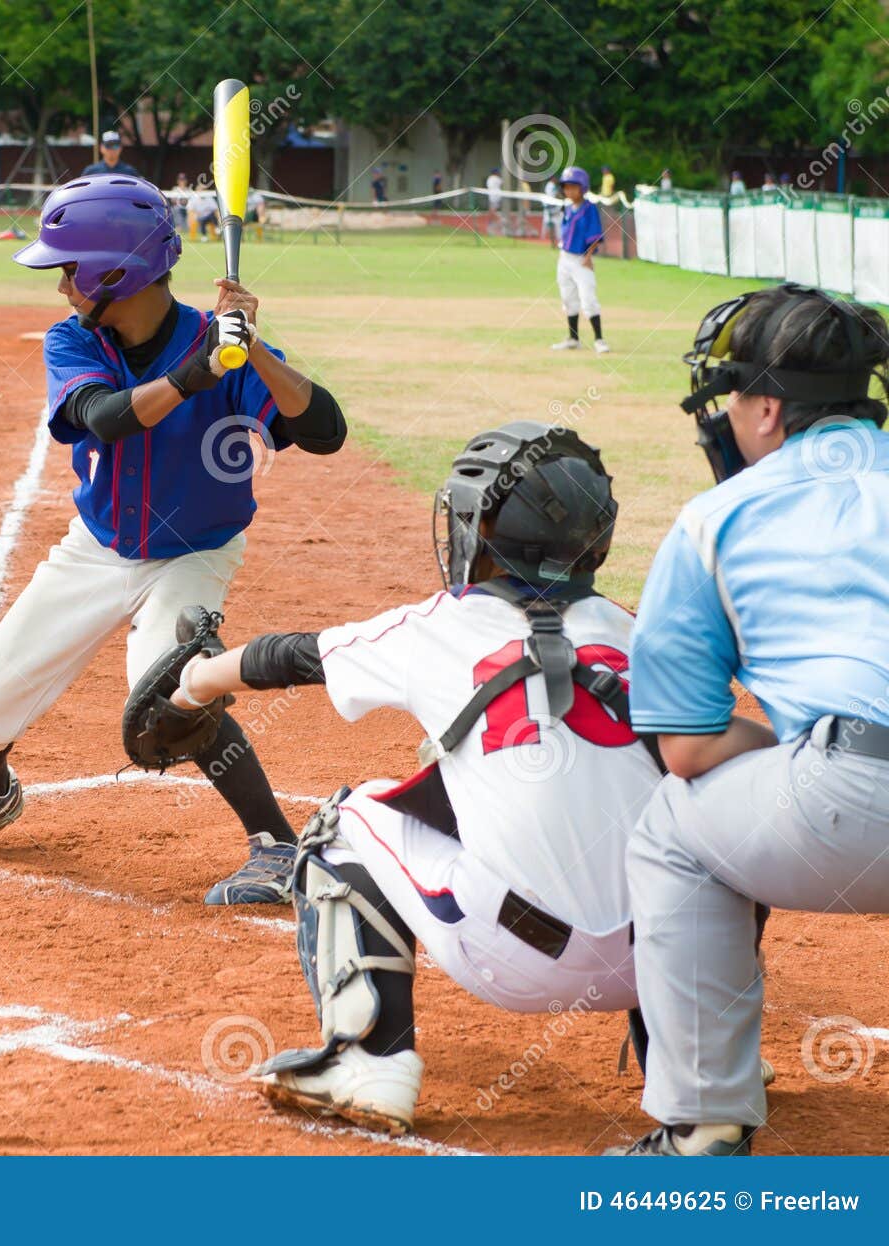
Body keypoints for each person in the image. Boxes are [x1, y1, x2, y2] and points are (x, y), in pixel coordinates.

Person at [161, 423, 658, 1134]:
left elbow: (293, 657)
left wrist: (191, 685)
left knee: (347, 818)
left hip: (515, 958)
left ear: (483, 533)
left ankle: (369, 1059)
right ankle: (696, 1056)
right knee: (691, 809)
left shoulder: (438, 625)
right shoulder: (638, 632)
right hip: (672, 960)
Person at [0, 175, 349, 906]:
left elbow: (324, 432)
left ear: (118, 273)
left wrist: (254, 351)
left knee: (171, 687)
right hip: (99, 544)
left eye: (68, 270)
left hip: (194, 548)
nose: (61, 288)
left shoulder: (221, 347)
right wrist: (194, 372)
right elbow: (104, 416)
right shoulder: (76, 340)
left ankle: (276, 847)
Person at [609, 284, 889, 1156]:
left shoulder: (715, 518)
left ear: (768, 408)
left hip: (853, 802)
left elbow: (687, 747)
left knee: (669, 834)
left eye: (734, 396)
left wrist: (794, 749)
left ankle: (705, 1121)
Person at [550, 166, 607, 355]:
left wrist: (589, 257)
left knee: (588, 299)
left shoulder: (589, 209)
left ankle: (599, 339)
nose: (569, 191)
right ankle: (573, 338)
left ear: (583, 188)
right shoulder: (567, 208)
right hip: (564, 258)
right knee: (568, 298)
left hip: (581, 260)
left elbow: (595, 235)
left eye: (574, 187)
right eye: (566, 187)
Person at [541, 176, 560, 243]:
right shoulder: (551, 185)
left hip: (553, 207)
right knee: (548, 222)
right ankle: (548, 238)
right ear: (553, 179)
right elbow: (553, 196)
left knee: (556, 223)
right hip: (549, 207)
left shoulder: (552, 185)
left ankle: (556, 238)